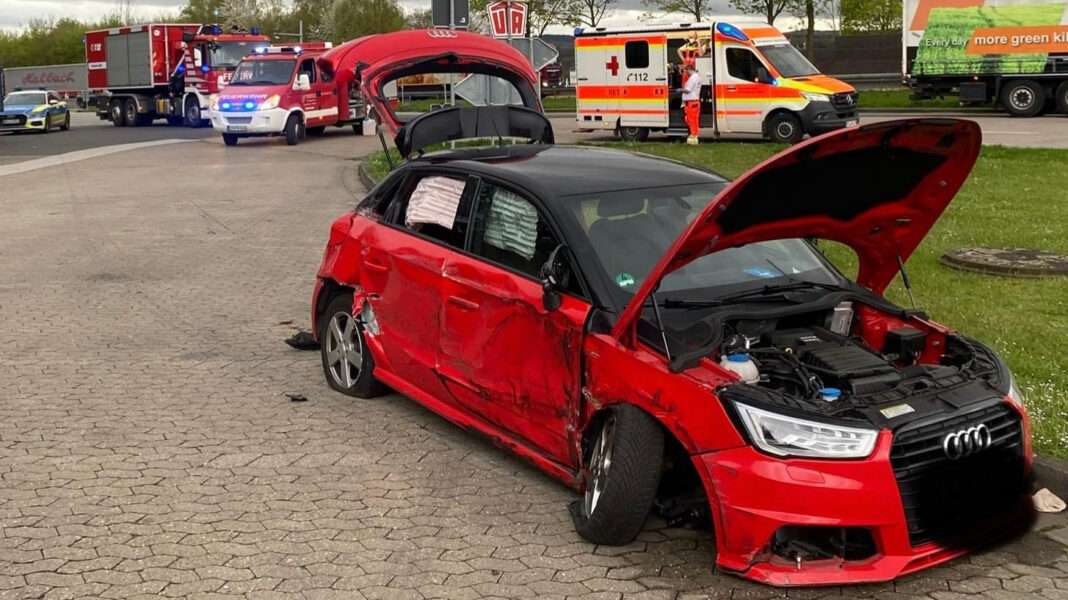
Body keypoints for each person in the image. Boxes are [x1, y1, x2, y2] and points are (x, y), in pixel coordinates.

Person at [681, 62, 702, 145]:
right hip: (694, 102)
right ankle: (694, 136)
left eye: (686, 71)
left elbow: (688, 90)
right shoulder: (697, 77)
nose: (686, 73)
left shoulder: (693, 78)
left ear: (689, 70)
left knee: (691, 120)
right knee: (694, 120)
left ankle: (693, 137)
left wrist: (680, 90)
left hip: (691, 103)